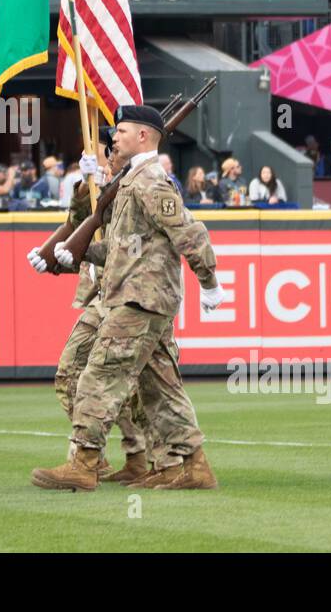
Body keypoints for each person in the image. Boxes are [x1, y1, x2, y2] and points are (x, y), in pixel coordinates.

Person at [40, 104, 221, 491]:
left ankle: (84, 462)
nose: (113, 137)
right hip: (139, 296)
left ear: (143, 136)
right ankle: (191, 466)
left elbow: (190, 232)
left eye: (121, 130)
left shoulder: (148, 180)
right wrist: (77, 252)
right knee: (160, 388)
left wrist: (209, 281)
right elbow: (124, 249)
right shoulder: (130, 182)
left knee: (98, 377)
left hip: (141, 300)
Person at [27, 138, 156, 484]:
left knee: (123, 380)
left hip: (129, 293)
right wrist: (85, 186)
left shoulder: (139, 183)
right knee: (86, 378)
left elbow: (123, 239)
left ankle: (108, 458)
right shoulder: (106, 187)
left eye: (103, 152)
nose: (103, 157)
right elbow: (81, 222)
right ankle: (113, 456)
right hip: (103, 294)